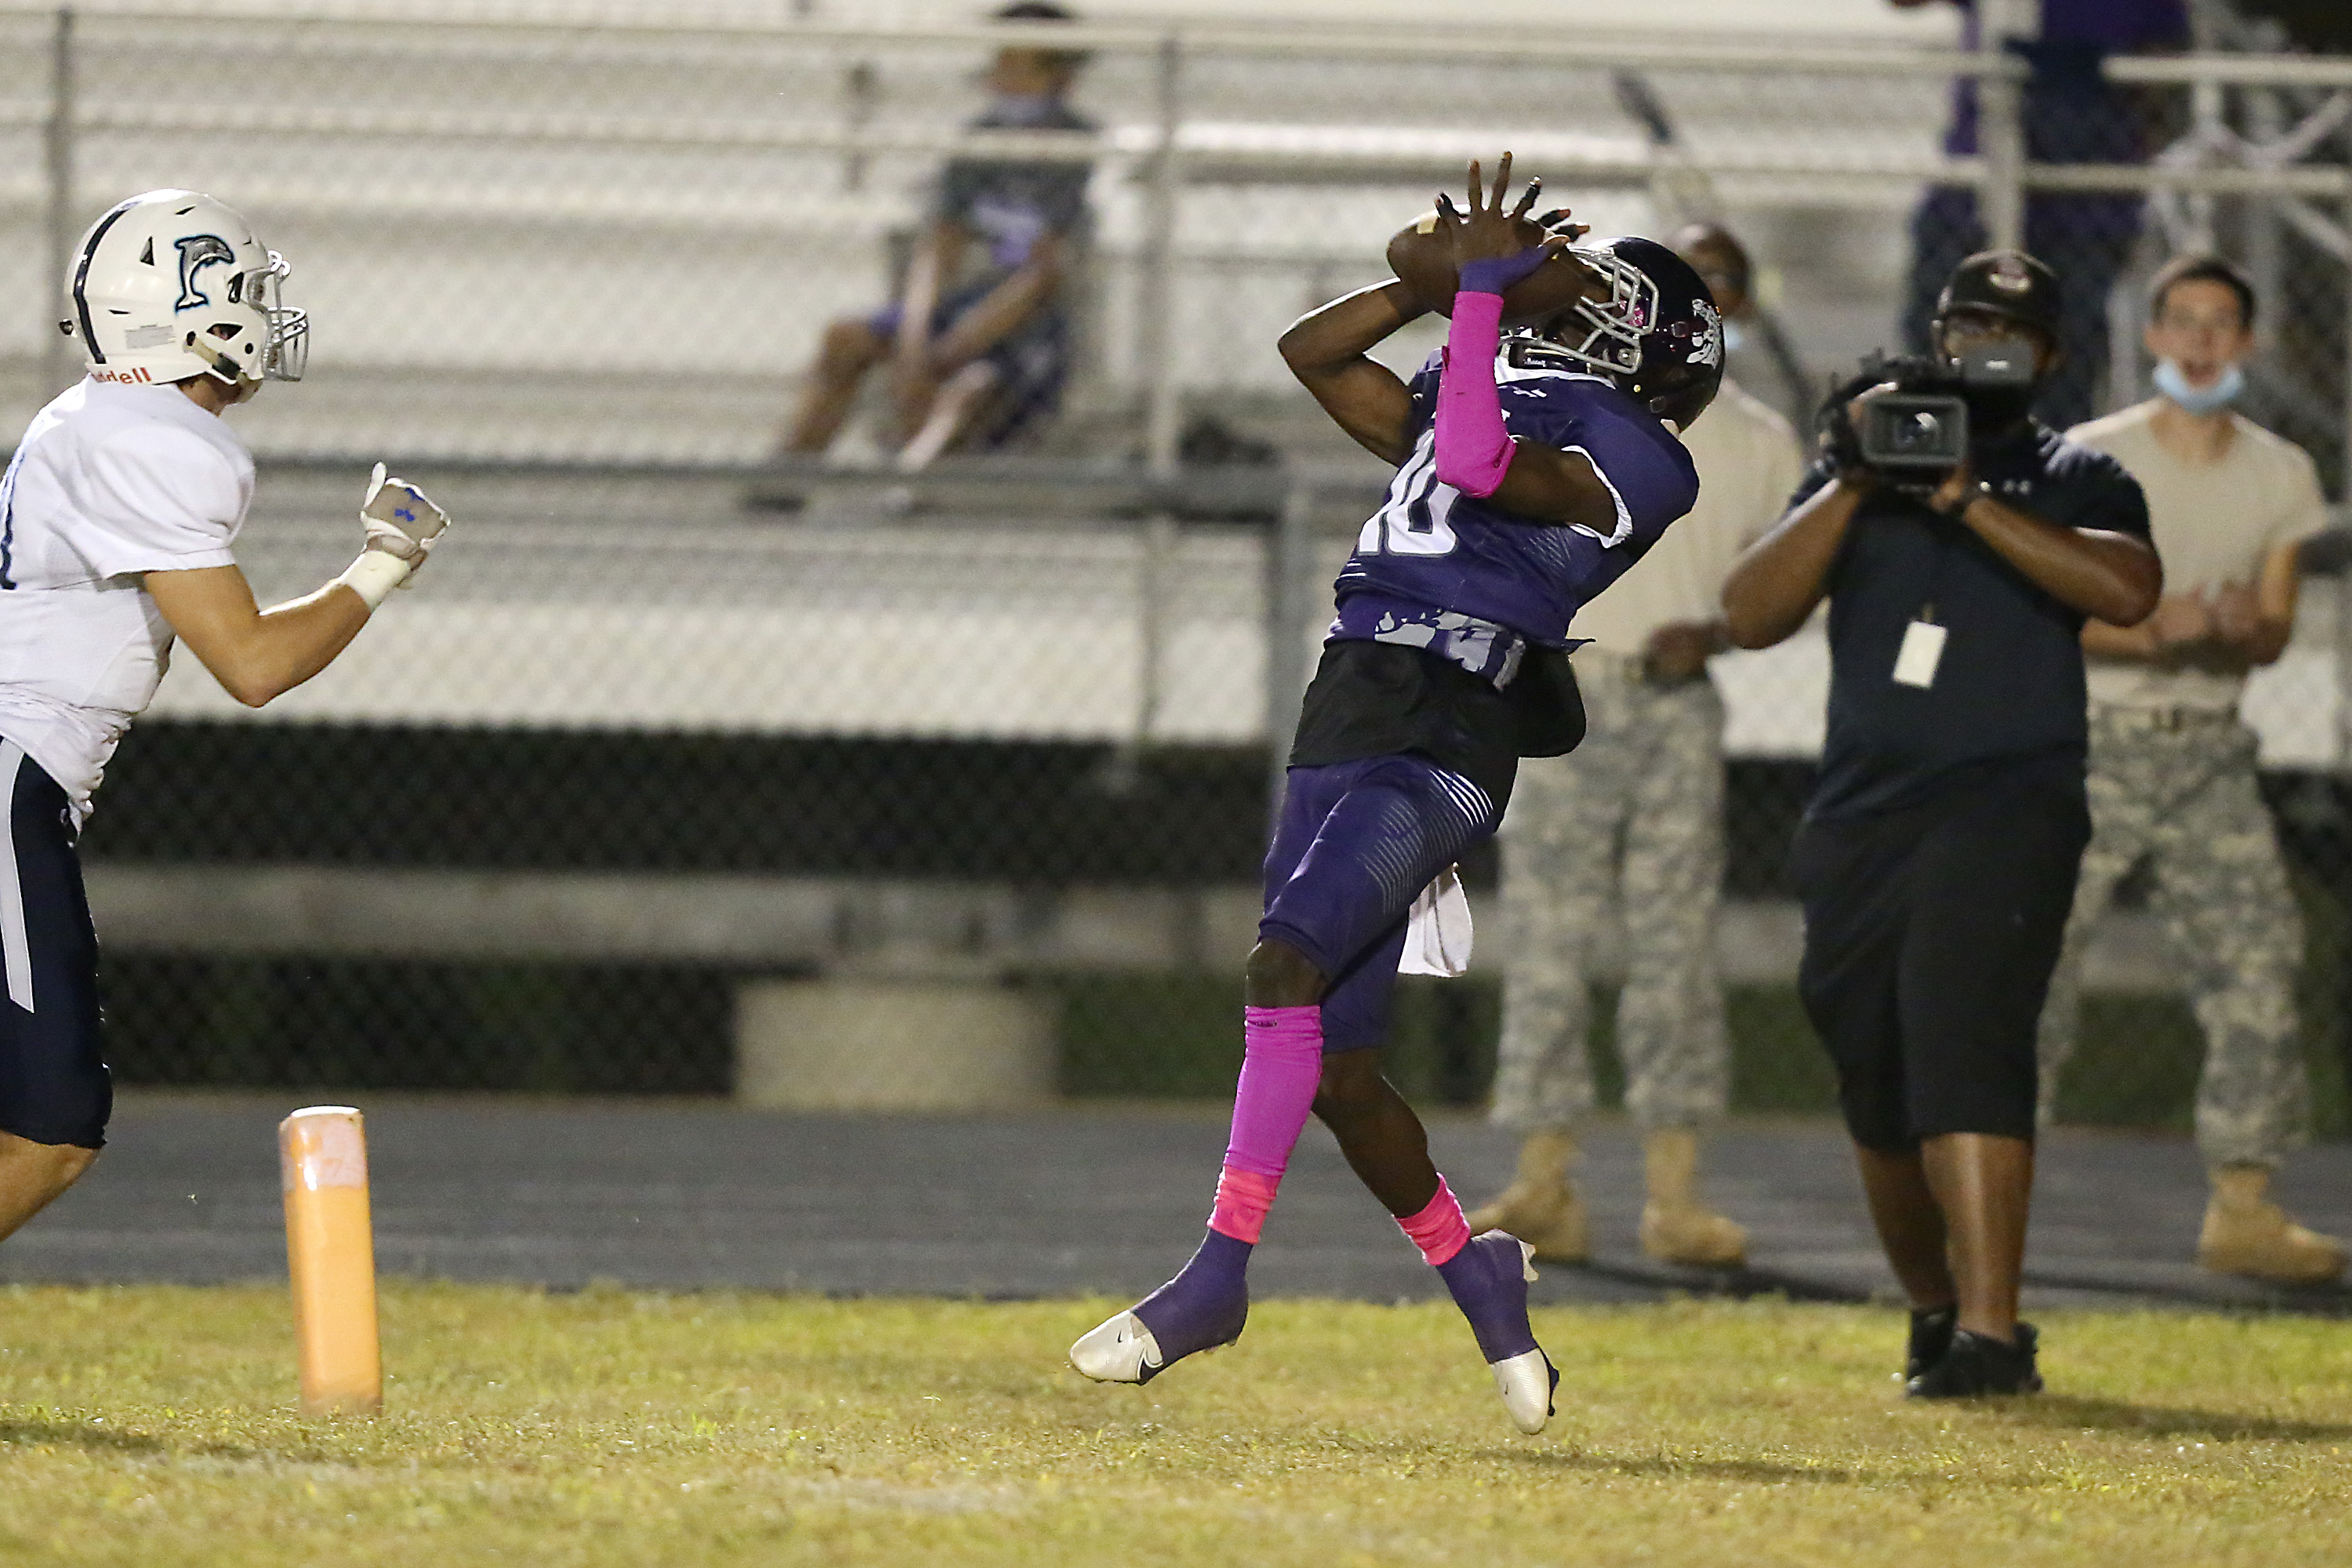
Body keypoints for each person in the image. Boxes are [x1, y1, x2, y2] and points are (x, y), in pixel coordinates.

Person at [1069, 154, 1723, 1434]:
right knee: (1340, 1074)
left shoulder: (1643, 455)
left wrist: (1475, 298)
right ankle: (1476, 1276)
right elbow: (1313, 352)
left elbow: (1477, 466)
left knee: (1282, 970)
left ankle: (1217, 1279)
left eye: (1601, 292)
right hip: (1352, 695)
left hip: (1452, 723)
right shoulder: (1481, 368)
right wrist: (1426, 284)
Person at [1722, 249, 2160, 1396]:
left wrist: (1969, 498)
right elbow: (1749, 611)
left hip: (2009, 795)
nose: (1984, 349)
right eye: (1966, 326)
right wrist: (1860, 479)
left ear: (2052, 357)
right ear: (1938, 331)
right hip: (1864, 806)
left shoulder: (2078, 473)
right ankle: (1933, 1310)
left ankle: (1993, 1335)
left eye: (2010, 334)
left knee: (1963, 1038)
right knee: (1872, 1070)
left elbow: (2124, 592)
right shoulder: (1861, 463)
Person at [0, 188, 448, 1253]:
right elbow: (250, 664)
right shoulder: (161, 441)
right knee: (50, 1130)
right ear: (188, 310)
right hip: (11, 776)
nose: (261, 316)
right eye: (245, 293)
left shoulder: (93, 421)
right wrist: (384, 566)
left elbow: (224, 629)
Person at [1472, 222, 1803, 1269]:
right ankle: (1544, 1182)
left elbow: (1779, 589)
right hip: (1566, 688)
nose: (1691, 294)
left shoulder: (1760, 440)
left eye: (1715, 279)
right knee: (1549, 936)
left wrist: (1714, 631)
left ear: (1737, 308)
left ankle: (1673, 1193)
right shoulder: (1573, 403)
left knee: (1674, 944)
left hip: (1673, 702)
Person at [2042, 255, 2343, 1284]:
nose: (2203, 340)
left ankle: (2245, 1207)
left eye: (2223, 323)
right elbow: (2055, 614)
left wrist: (2229, 631)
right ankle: (1986, 1189)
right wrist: (2155, 627)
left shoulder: (2282, 473)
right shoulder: (2087, 459)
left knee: (2259, 966)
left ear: (2246, 344)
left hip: (2211, 750)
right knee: (2033, 972)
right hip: (2096, 748)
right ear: (2156, 336)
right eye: (2184, 321)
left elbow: (2268, 630)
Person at [778, 1, 1094, 470]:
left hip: (1025, 325)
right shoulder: (980, 138)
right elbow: (941, 246)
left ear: (1056, 73)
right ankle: (784, 479)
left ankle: (912, 484)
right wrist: (914, 336)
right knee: (846, 339)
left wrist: (955, 347)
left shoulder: (1079, 147)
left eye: (1014, 61)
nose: (998, 74)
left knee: (971, 384)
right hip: (963, 303)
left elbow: (1042, 274)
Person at [1892, 0, 2190, 431]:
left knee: (2066, 354)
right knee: (1936, 335)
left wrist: (2081, 76)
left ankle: (2050, 478)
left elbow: (2164, 67)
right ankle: (1935, 466)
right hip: (1977, 183)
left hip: (2087, 191)